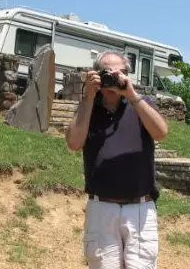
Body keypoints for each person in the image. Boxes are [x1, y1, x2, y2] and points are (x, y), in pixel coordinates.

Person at [65, 50, 168, 269]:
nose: (112, 77)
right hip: (102, 208)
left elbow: (160, 133)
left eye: (118, 72)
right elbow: (74, 143)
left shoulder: (141, 104)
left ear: (127, 75)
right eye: (106, 72)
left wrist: (132, 96)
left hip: (140, 208)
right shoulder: (88, 107)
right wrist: (88, 97)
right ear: (96, 74)